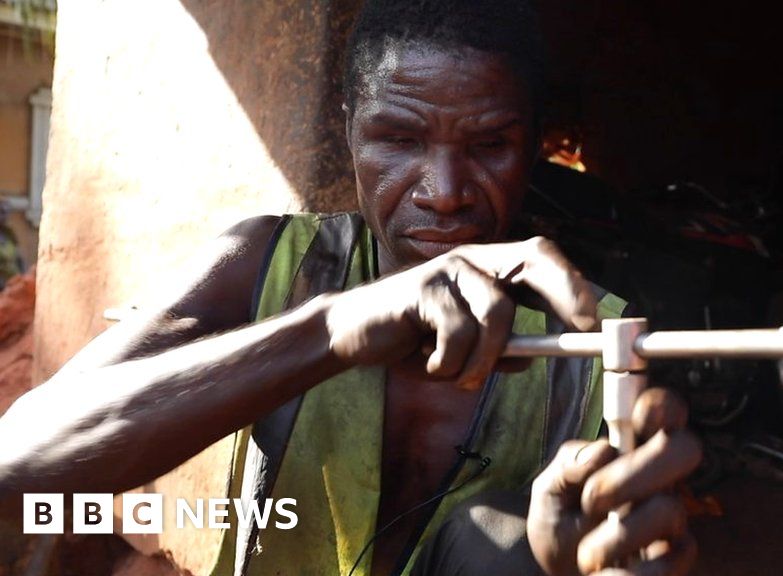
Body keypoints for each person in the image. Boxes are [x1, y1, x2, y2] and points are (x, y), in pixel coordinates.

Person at [0, 1, 701, 574]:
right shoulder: (274, 263)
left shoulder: (593, 334)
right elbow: (18, 460)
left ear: (536, 146)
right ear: (348, 130)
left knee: (501, 543)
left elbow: (612, 528)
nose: (446, 194)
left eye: (489, 145)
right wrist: (332, 330)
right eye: (397, 139)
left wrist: (586, 550)